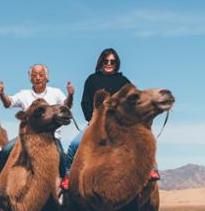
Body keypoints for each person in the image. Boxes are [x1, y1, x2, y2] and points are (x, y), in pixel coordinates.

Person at [63, 48, 160, 189]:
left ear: (117, 63)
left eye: (112, 61)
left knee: (142, 141)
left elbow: (133, 101)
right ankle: (68, 176)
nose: (109, 64)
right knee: (74, 145)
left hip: (120, 124)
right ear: (101, 62)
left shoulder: (123, 82)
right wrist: (93, 119)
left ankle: (151, 169)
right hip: (96, 123)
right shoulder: (92, 80)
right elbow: (85, 102)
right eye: (106, 61)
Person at [0, 64, 74, 179]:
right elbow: (9, 103)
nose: (37, 78)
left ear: (46, 78)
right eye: (34, 75)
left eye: (41, 75)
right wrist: (2, 94)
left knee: (61, 156)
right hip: (28, 136)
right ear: (30, 78)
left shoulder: (55, 92)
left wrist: (70, 95)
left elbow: (66, 105)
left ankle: (63, 182)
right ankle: (0, 178)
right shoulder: (24, 94)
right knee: (5, 150)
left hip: (51, 136)